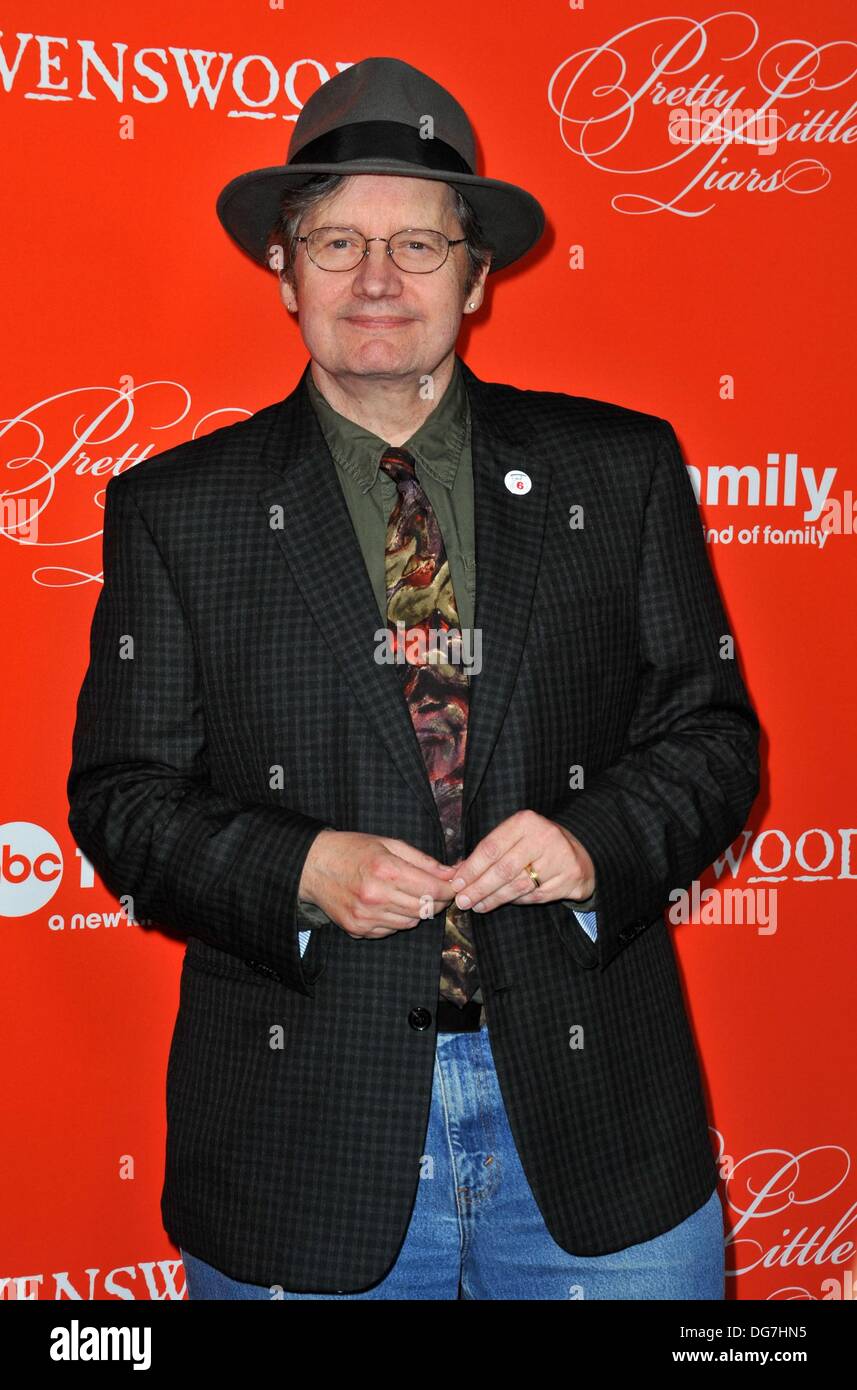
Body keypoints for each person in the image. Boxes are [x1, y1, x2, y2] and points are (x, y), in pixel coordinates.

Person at [67, 56, 760, 1300]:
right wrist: (296, 870)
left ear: (476, 273)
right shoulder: (177, 509)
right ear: (281, 269)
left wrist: (596, 840)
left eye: (416, 245)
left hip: (598, 1119)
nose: (376, 279)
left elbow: (709, 736)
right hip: (298, 1127)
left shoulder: (622, 468)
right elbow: (123, 795)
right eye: (335, 241)